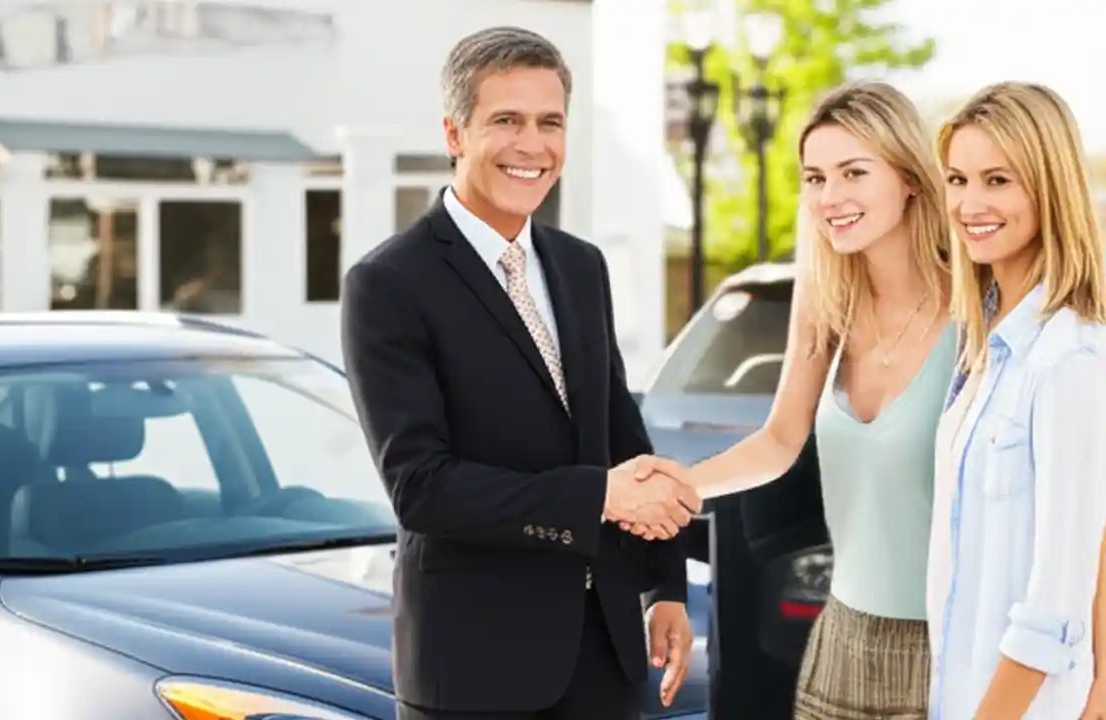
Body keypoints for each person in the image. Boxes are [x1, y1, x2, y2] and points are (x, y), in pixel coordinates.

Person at [339, 26, 702, 720]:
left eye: (550, 122)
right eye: (506, 120)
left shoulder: (581, 266)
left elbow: (622, 440)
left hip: (606, 656)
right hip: (475, 668)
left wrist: (665, 589)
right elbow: (421, 489)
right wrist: (597, 498)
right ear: (455, 133)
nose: (532, 145)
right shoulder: (388, 283)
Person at [632, 80, 957, 718]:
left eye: (853, 173)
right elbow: (780, 440)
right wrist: (678, 487)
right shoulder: (825, 300)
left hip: (953, 641)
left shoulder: (977, 307)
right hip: (842, 641)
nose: (829, 197)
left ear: (911, 178)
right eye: (814, 178)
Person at [928, 81, 1106, 720]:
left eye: (998, 180)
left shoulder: (1071, 360)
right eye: (957, 179)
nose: (969, 203)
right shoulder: (985, 352)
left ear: (1048, 187)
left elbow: (1056, 597)